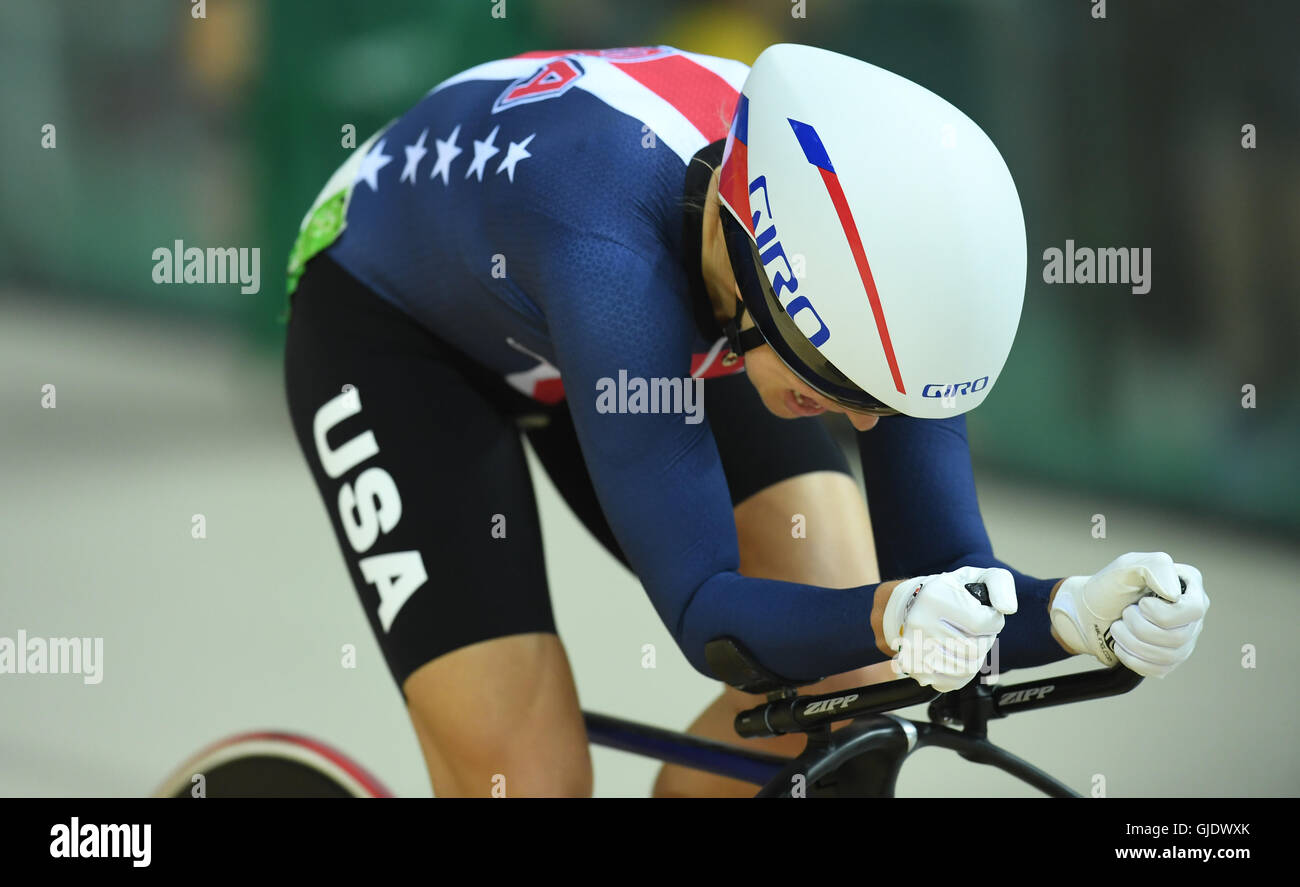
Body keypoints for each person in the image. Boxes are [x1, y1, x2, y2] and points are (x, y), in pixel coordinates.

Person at [282, 43, 1209, 798]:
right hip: (397, 332)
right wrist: (891, 614)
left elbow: (945, 575)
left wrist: (1072, 612)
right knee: (526, 779)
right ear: (762, 283)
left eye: (884, 395)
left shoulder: (862, 273)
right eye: (838, 385)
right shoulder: (611, 254)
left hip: (630, 307)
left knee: (848, 686)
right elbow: (704, 613)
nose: (862, 422)